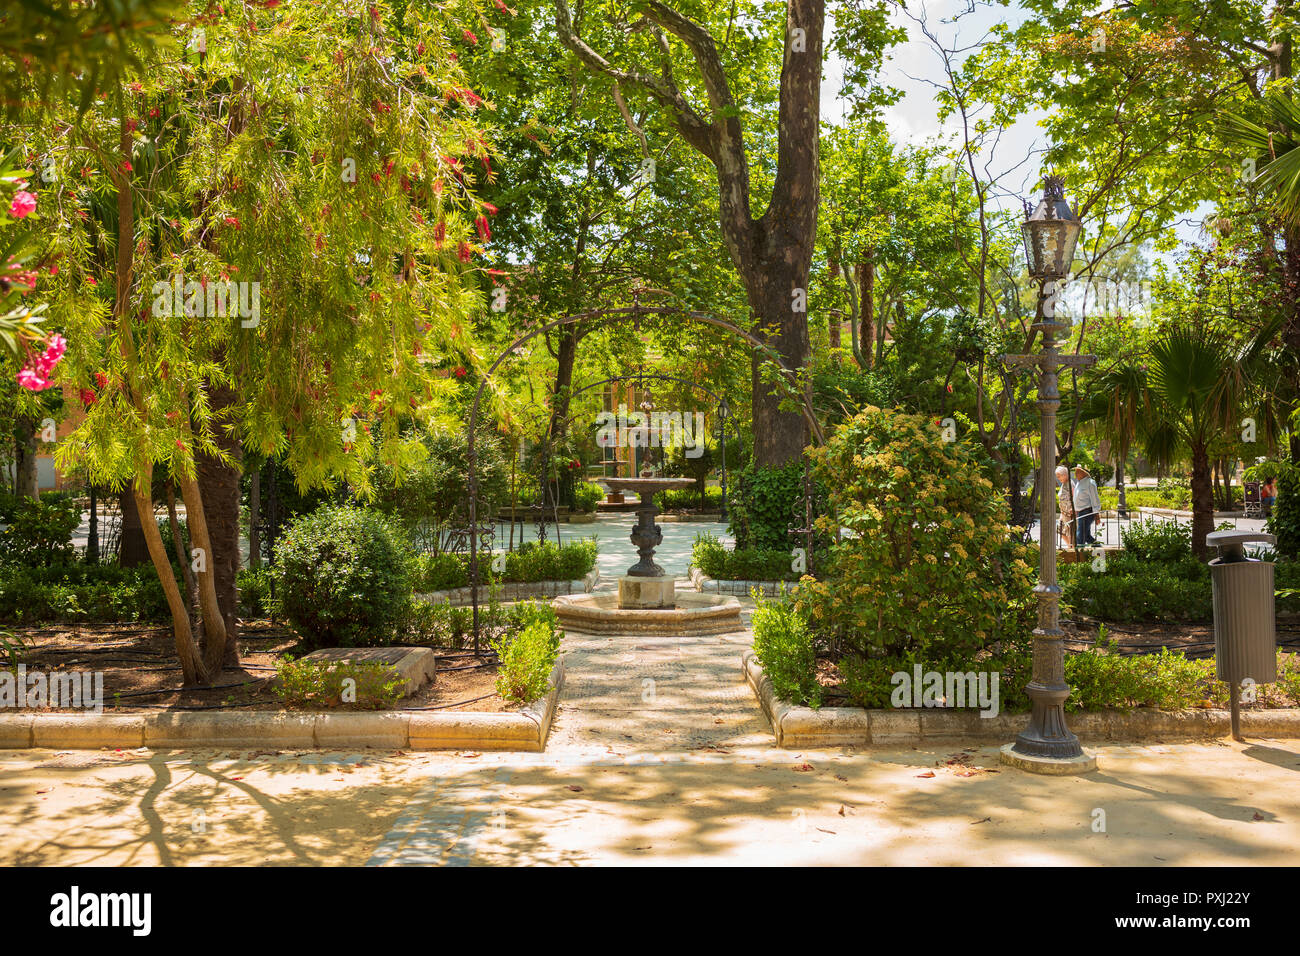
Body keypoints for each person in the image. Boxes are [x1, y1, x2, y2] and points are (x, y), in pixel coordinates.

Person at [1073, 465, 1101, 547]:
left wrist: (1097, 514)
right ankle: (1099, 549)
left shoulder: (1090, 482)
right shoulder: (1079, 483)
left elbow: (1094, 499)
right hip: (1080, 512)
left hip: (1087, 511)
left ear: (1083, 473)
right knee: (1086, 536)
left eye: (1077, 472)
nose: (1075, 474)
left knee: (1080, 535)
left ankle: (1078, 554)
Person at [1055, 465, 1075, 548]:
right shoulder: (1064, 484)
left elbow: (1075, 496)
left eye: (1059, 476)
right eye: (1057, 476)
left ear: (1065, 474)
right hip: (1063, 513)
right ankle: (1069, 546)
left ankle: (1072, 547)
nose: (1058, 478)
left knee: (1069, 531)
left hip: (1069, 513)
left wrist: (1073, 509)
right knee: (1059, 530)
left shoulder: (1070, 483)